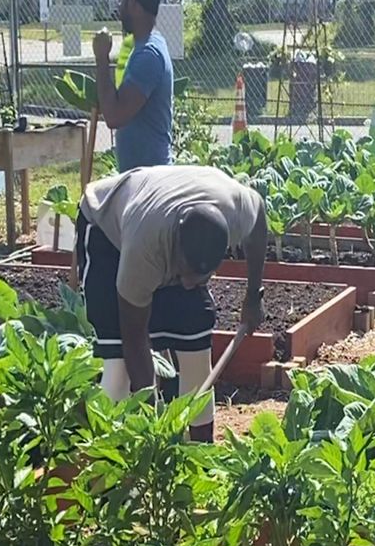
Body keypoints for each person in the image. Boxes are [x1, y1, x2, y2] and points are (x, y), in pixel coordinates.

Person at [76, 165, 267, 442]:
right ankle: (105, 469)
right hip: (107, 227)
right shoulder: (144, 248)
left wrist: (252, 296)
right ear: (175, 247)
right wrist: (153, 428)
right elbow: (134, 338)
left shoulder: (237, 212)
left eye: (200, 277)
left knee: (196, 347)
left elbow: (259, 218)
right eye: (184, 273)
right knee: (118, 363)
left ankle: (201, 453)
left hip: (173, 207)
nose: (188, 284)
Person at [92, 0, 174, 170]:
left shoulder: (148, 54)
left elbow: (114, 115)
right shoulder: (146, 46)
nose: (119, 7)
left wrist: (102, 58)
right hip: (141, 180)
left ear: (133, 1)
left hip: (150, 183)